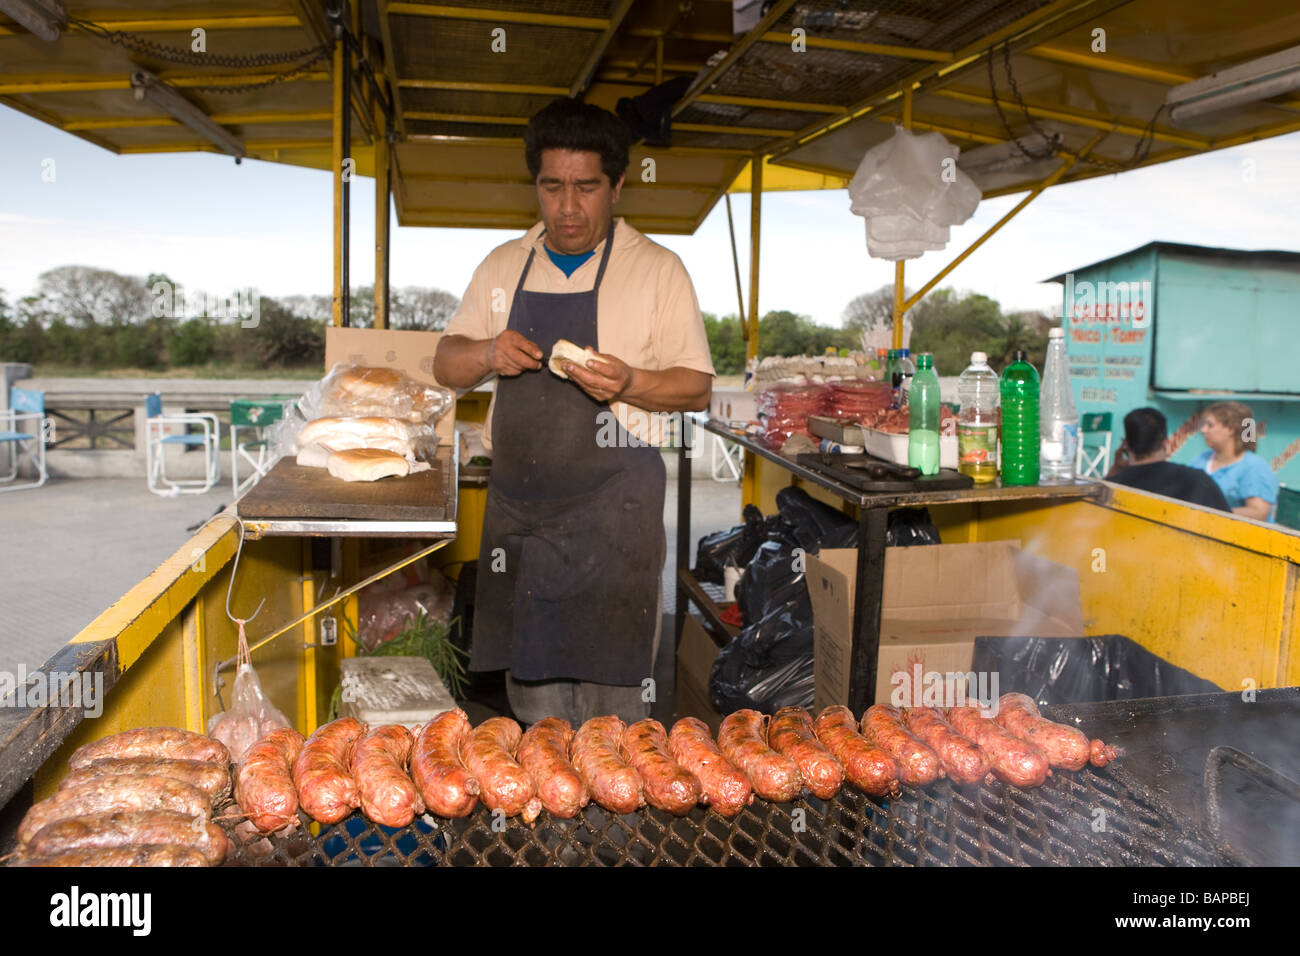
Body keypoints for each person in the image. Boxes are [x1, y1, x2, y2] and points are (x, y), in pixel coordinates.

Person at [433, 98, 715, 728]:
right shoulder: (503, 266)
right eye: (552, 186)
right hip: (521, 523)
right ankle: (551, 825)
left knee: (613, 718)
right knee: (534, 710)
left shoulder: (657, 271)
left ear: (617, 186)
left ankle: (613, 830)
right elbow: (444, 365)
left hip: (616, 523)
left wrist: (632, 381)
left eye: (586, 188)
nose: (567, 207)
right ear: (535, 184)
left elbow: (696, 387)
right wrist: (486, 351)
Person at [1106, 407, 1229, 511]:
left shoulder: (1110, 488)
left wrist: (1115, 470)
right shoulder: (1198, 481)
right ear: (1165, 443)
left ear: (1125, 444)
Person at [1190, 400, 1278, 521]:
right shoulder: (1201, 459)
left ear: (1230, 429)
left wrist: (1211, 512)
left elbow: (1259, 513)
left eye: (1210, 425)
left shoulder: (1254, 466)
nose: (1203, 430)